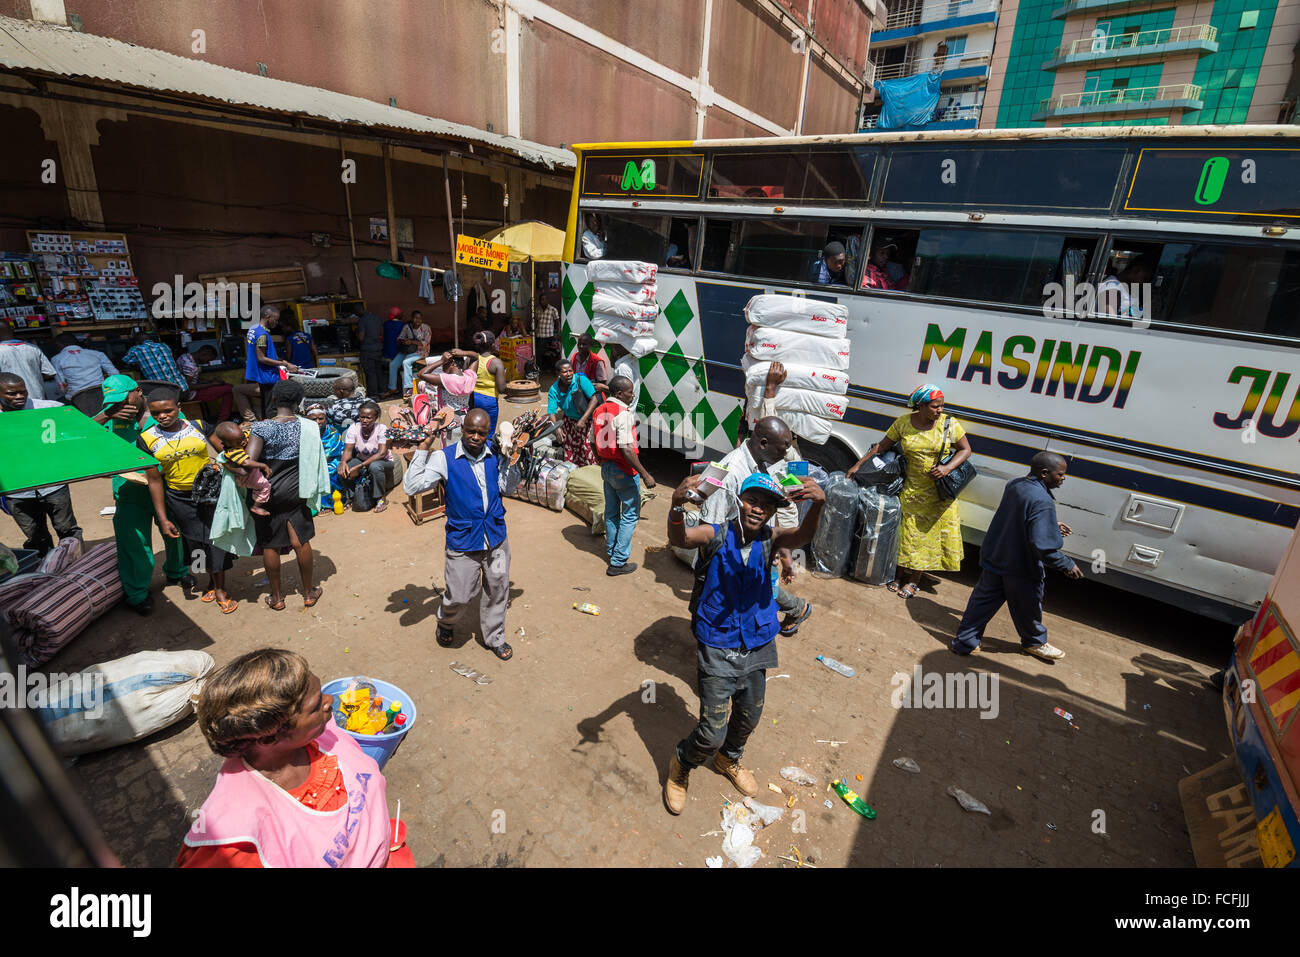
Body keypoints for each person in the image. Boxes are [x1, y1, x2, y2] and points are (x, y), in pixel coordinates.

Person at [663, 472, 825, 814]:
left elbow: (802, 535)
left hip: (757, 639)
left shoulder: (773, 538)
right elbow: (681, 537)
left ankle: (728, 760)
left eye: (766, 505)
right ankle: (681, 766)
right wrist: (676, 508)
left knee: (749, 715)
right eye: (752, 500)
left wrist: (819, 505)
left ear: (771, 512)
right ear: (740, 501)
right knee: (711, 732)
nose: (757, 509)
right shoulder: (717, 532)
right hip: (718, 641)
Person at [179, 648, 412, 868]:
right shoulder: (234, 838)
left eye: (320, 692)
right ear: (269, 738)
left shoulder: (321, 732)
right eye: (314, 707)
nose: (329, 700)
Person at [402, 408, 514, 662]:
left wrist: (511, 458)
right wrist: (422, 448)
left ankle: (494, 637)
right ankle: (446, 621)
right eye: (470, 431)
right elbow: (411, 486)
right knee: (460, 594)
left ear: (488, 434)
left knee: (498, 588)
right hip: (463, 539)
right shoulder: (445, 457)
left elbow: (508, 487)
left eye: (481, 433)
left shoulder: (496, 453)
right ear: (462, 429)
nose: (475, 437)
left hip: (495, 535)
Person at [951, 451, 1084, 661]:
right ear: (1044, 473)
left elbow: (1020, 516)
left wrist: (1049, 524)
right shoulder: (1042, 501)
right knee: (1028, 606)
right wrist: (1066, 564)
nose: (1063, 478)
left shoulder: (1016, 485)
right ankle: (1034, 643)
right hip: (1021, 566)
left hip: (997, 557)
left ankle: (964, 643)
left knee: (981, 603)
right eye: (1060, 474)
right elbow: (1042, 545)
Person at [848, 384, 972, 599]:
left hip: (938, 494)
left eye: (941, 406)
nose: (940, 410)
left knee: (927, 537)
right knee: (905, 536)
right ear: (921, 406)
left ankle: (915, 579)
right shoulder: (903, 423)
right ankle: (897, 575)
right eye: (935, 406)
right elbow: (881, 447)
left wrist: (947, 468)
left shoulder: (949, 424)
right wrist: (858, 465)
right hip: (911, 490)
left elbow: (965, 449)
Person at [702, 412, 814, 637]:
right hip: (729, 559)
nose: (784, 457)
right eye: (781, 451)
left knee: (757, 592)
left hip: (755, 551)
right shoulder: (730, 471)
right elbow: (709, 524)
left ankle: (794, 608)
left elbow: (785, 493)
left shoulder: (766, 462)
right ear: (763, 443)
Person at [90, 374, 190, 614]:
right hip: (129, 490)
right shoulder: (111, 417)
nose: (121, 406)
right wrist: (107, 415)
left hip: (168, 487)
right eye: (113, 402)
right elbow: (80, 438)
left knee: (176, 533)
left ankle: (179, 572)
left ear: (137, 392)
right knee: (133, 541)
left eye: (124, 400)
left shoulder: (163, 411)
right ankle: (137, 593)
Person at [138, 387, 238, 614]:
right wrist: (163, 519)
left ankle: (220, 588)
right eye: (156, 413)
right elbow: (154, 480)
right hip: (179, 498)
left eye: (168, 411)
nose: (163, 416)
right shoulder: (146, 439)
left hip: (212, 493)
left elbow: (225, 454)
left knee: (215, 539)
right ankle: (209, 580)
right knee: (195, 542)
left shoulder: (199, 427)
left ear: (179, 408)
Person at [244, 380, 330, 611]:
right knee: (300, 539)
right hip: (297, 490)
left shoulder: (261, 428)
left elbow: (247, 461)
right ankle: (309, 592)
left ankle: (277, 597)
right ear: (298, 402)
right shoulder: (308, 427)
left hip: (267, 492)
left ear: (274, 399)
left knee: (270, 544)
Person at [0, 373, 83, 556]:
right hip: (17, 490)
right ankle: (45, 575)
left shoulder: (49, 409)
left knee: (67, 529)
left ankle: (76, 568)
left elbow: (78, 431)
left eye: (23, 392)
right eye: (12, 394)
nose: (19, 397)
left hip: (53, 485)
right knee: (35, 536)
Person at [592, 375, 656, 576]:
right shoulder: (624, 413)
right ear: (619, 393)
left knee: (611, 512)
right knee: (629, 515)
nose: (633, 395)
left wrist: (601, 460)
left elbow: (592, 441)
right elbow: (627, 449)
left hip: (607, 468)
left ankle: (612, 552)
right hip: (624, 470)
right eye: (630, 392)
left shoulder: (598, 410)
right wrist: (645, 474)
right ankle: (618, 562)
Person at [340, 400, 395, 513]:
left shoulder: (381, 429)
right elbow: (348, 450)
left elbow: (382, 453)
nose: (364, 420)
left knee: (374, 466)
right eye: (362, 417)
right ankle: (351, 497)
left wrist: (360, 466)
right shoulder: (354, 428)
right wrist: (343, 463)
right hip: (362, 459)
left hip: (383, 461)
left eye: (368, 418)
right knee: (342, 469)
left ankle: (381, 498)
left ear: (375, 418)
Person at [245, 304, 299, 417]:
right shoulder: (262, 335)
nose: (276, 322)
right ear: (267, 316)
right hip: (267, 375)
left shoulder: (253, 329)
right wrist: (285, 364)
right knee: (271, 408)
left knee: (265, 403)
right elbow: (261, 358)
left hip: (260, 373)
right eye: (275, 319)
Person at [546, 359, 600, 466]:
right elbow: (551, 412)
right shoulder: (554, 390)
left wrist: (583, 419)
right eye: (564, 372)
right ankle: (574, 475)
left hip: (587, 421)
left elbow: (594, 399)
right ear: (558, 374)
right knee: (570, 450)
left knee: (587, 450)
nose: (569, 374)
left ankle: (591, 476)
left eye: (570, 371)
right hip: (569, 423)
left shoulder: (581, 380)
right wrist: (556, 428)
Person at [214, 421, 272, 517]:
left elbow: (251, 431)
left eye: (243, 438)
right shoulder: (232, 452)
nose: (243, 442)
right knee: (264, 486)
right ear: (225, 443)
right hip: (245, 478)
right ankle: (256, 506)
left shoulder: (240, 438)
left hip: (249, 474)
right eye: (238, 442)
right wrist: (263, 466)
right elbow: (246, 463)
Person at [418, 351, 478, 440]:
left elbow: (421, 374)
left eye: (445, 364)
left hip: (449, 419)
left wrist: (441, 361)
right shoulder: (469, 377)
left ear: (453, 364)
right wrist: (463, 353)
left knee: (449, 449)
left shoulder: (447, 379)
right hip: (465, 418)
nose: (442, 367)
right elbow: (476, 357)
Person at [173, 343, 235, 422]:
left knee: (227, 386)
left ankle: (223, 419)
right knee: (229, 389)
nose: (208, 362)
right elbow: (188, 386)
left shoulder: (184, 356)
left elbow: (191, 381)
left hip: (185, 391)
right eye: (208, 359)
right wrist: (213, 384)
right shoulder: (190, 366)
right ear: (204, 353)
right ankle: (222, 420)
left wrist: (209, 381)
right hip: (190, 395)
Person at [0, 320, 57, 401]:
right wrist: (33, 378)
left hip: (13, 401)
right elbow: (50, 373)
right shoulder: (33, 348)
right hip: (38, 397)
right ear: (12, 329)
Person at [305, 403, 347, 510]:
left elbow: (331, 454)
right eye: (314, 419)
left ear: (325, 419)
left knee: (328, 473)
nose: (318, 422)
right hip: (310, 463)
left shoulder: (332, 432)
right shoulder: (304, 433)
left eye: (321, 418)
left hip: (332, 461)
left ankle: (329, 503)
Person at [51, 332, 117, 399]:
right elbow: (114, 374)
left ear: (58, 345)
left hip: (77, 397)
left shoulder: (56, 359)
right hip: (101, 394)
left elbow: (62, 386)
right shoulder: (98, 354)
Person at [122, 331, 188, 393]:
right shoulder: (164, 346)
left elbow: (124, 362)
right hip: (182, 387)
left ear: (137, 342)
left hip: (164, 392)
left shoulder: (135, 350)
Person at [469, 331, 507, 435]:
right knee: (487, 432)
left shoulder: (471, 359)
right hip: (488, 401)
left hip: (472, 398)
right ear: (493, 345)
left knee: (474, 428)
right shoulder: (496, 362)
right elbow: (501, 389)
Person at [1098, 255, 1155, 320]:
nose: (1144, 283)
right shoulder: (1113, 288)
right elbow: (1109, 320)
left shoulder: (1121, 287)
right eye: (1145, 279)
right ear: (1136, 270)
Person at [389, 309, 431, 398]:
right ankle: (392, 388)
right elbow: (399, 338)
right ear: (412, 318)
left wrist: (411, 341)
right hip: (407, 350)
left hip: (421, 352)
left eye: (419, 318)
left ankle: (408, 387)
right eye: (415, 318)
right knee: (393, 364)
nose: (417, 320)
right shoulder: (407, 327)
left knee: (406, 362)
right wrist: (404, 341)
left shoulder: (426, 328)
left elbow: (425, 343)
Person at [354, 310, 386, 398]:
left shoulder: (362, 320)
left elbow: (361, 337)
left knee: (370, 372)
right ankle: (382, 391)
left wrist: (356, 333)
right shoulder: (377, 318)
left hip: (367, 350)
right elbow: (382, 334)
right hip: (378, 348)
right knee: (379, 370)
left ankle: (373, 394)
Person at [534, 292, 560, 368]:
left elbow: (557, 322)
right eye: (540, 300)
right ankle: (540, 368)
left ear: (547, 300)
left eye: (543, 300)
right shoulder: (537, 309)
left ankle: (541, 368)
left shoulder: (553, 309)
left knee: (541, 352)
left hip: (549, 336)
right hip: (539, 334)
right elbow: (536, 321)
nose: (542, 301)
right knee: (538, 352)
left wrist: (558, 333)